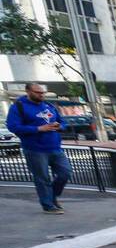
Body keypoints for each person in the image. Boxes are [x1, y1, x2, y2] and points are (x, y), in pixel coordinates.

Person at [5, 82, 71, 214]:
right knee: (42, 178)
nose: (41, 95)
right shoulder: (18, 107)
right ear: (28, 92)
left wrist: (60, 126)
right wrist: (38, 129)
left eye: (42, 93)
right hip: (35, 149)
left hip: (55, 147)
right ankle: (48, 205)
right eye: (38, 92)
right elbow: (13, 126)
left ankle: (52, 197)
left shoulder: (49, 105)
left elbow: (63, 122)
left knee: (65, 173)